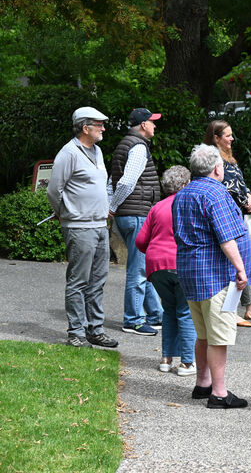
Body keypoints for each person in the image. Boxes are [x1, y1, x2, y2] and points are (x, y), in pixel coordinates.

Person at [173, 144, 251, 409]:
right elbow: (226, 237)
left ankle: (202, 383)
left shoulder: (183, 194)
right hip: (214, 273)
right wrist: (240, 269)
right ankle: (219, 393)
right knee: (219, 336)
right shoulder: (216, 193)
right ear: (218, 168)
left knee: (203, 333)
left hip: (189, 271)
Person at [46, 107, 118, 349]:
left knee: (98, 280)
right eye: (99, 124)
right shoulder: (68, 153)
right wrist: (65, 213)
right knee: (79, 281)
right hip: (79, 226)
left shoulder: (96, 151)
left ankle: (95, 330)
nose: (103, 128)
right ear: (85, 128)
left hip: (99, 225)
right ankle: (76, 332)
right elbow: (54, 190)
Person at [204, 120, 251, 326]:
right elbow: (226, 187)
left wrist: (249, 196)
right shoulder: (211, 157)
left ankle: (250, 307)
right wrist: (247, 204)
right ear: (216, 138)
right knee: (232, 262)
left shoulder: (228, 156)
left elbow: (239, 182)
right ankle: (231, 310)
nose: (232, 138)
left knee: (243, 259)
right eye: (227, 135)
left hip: (238, 213)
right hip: (226, 214)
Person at [135, 166, 196, 376]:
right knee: (186, 311)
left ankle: (165, 359)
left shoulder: (157, 207)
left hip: (157, 265)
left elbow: (140, 241)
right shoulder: (189, 205)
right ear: (186, 185)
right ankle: (187, 363)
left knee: (169, 310)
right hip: (181, 264)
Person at [110, 107, 164, 336]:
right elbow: (126, 183)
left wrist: (113, 208)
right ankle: (132, 320)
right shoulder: (138, 147)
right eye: (152, 122)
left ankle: (156, 314)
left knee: (145, 267)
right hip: (136, 215)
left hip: (132, 215)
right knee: (139, 269)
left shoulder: (125, 143)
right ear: (143, 124)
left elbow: (113, 180)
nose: (154, 125)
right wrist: (112, 207)